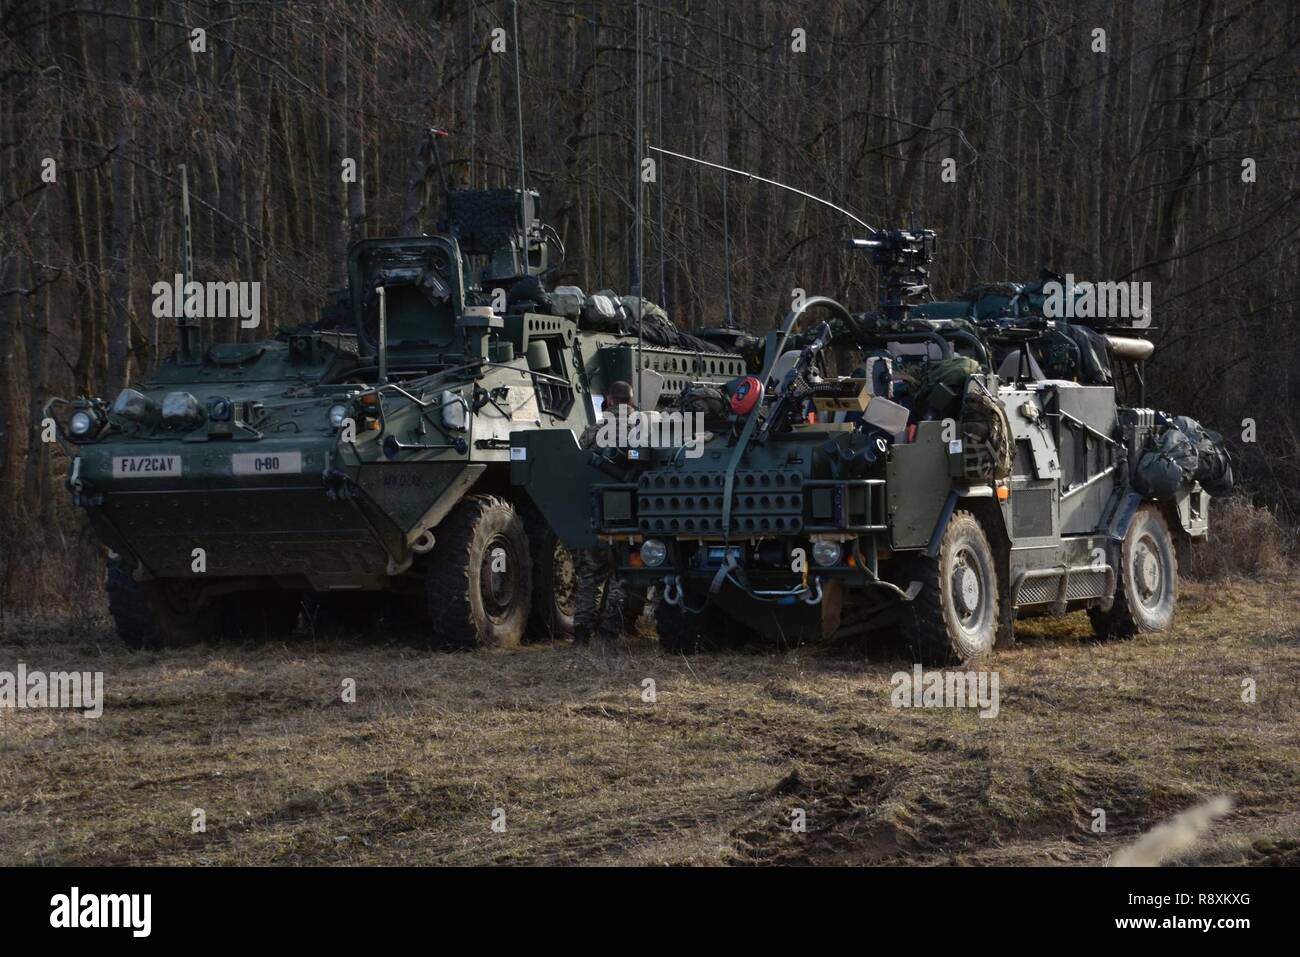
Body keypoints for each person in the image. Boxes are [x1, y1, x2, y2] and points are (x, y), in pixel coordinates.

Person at [573, 381, 636, 644]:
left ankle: (581, 633)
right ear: (630, 401)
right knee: (625, 575)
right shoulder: (643, 429)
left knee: (590, 574)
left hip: (597, 515)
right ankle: (610, 630)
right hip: (632, 516)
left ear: (609, 400)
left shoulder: (594, 432)